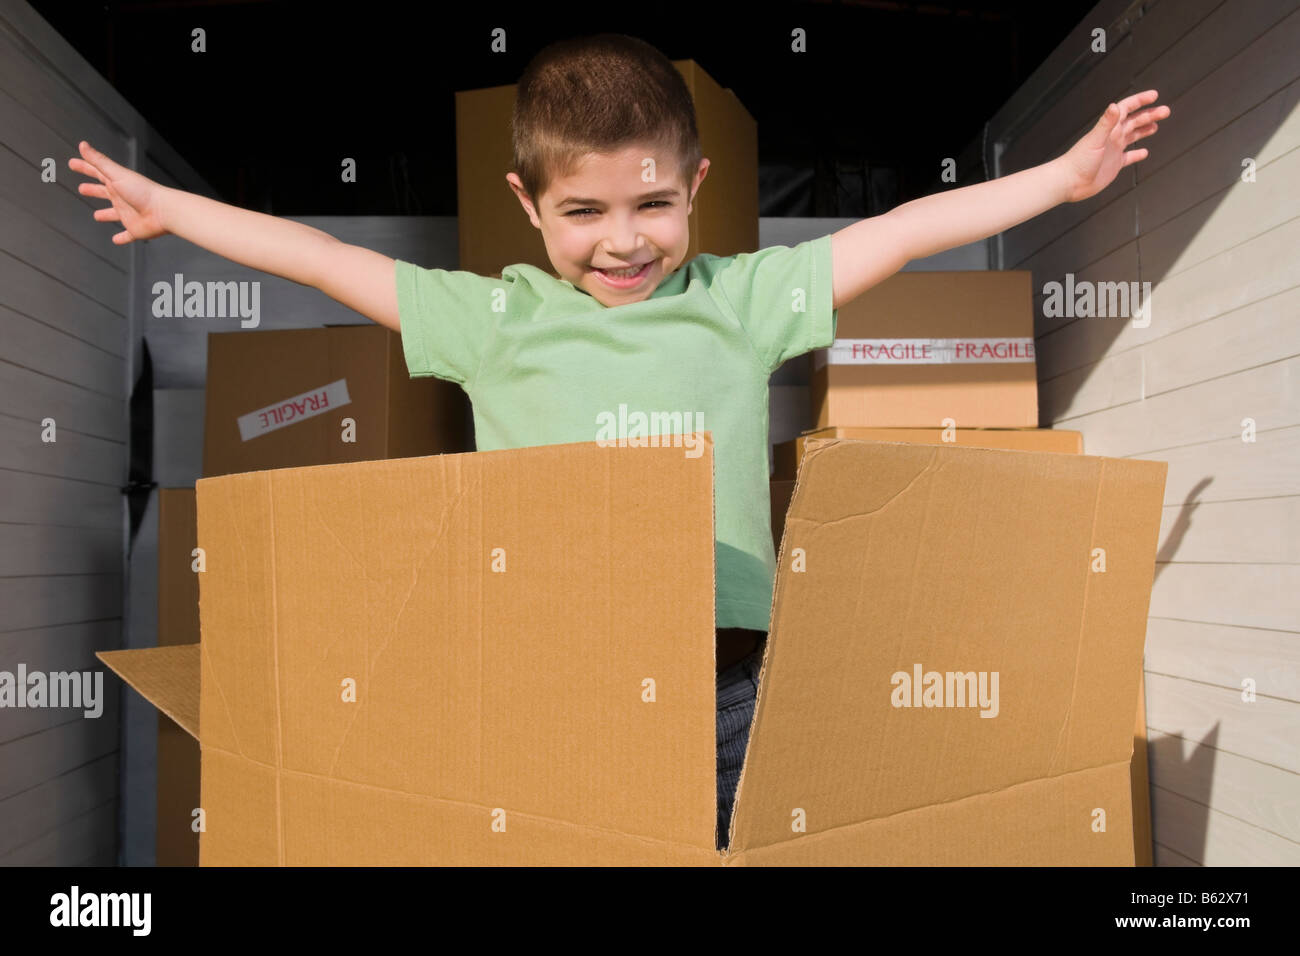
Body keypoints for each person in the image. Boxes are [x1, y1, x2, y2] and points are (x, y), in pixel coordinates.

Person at [70, 33, 1167, 854]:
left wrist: (1062, 182)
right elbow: (317, 259)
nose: (624, 239)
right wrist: (174, 208)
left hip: (730, 681)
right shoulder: (493, 320)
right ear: (529, 205)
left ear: (695, 187)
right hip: (555, 686)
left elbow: (899, 231)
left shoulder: (741, 301)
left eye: (651, 202)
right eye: (584, 210)